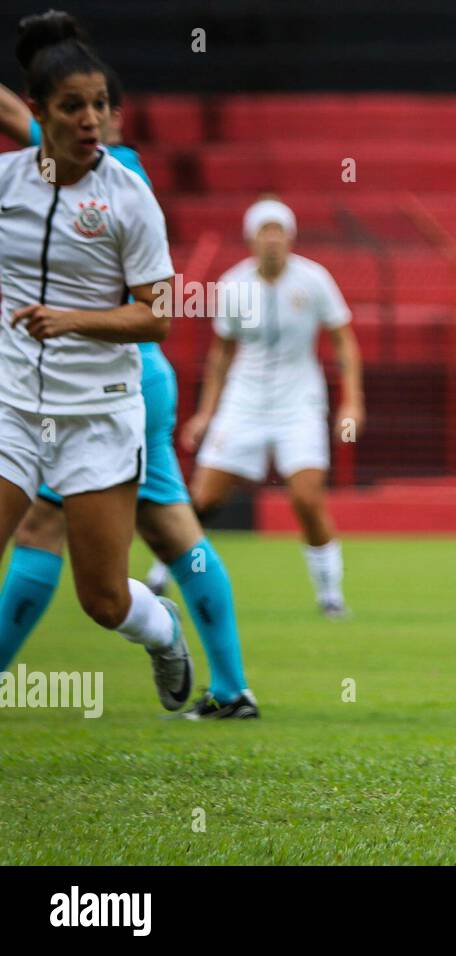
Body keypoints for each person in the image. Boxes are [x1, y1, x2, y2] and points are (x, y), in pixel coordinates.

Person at [0, 51, 257, 718]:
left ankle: (182, 646)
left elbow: (159, 316)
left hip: (119, 393)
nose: (92, 121)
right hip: (22, 400)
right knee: (155, 532)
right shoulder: (20, 179)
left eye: (100, 107)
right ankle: (231, 687)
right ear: (47, 112)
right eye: (75, 106)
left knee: (108, 587)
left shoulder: (124, 184)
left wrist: (68, 322)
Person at [180, 198, 365, 618]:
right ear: (251, 239)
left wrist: (352, 402)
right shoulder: (232, 286)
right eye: (264, 231)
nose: (272, 239)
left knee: (306, 497)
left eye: (278, 231)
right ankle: (161, 576)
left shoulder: (314, 280)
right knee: (204, 497)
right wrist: (206, 413)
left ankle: (330, 595)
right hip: (244, 400)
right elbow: (221, 355)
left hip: (299, 401)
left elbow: (343, 341)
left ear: (291, 237)